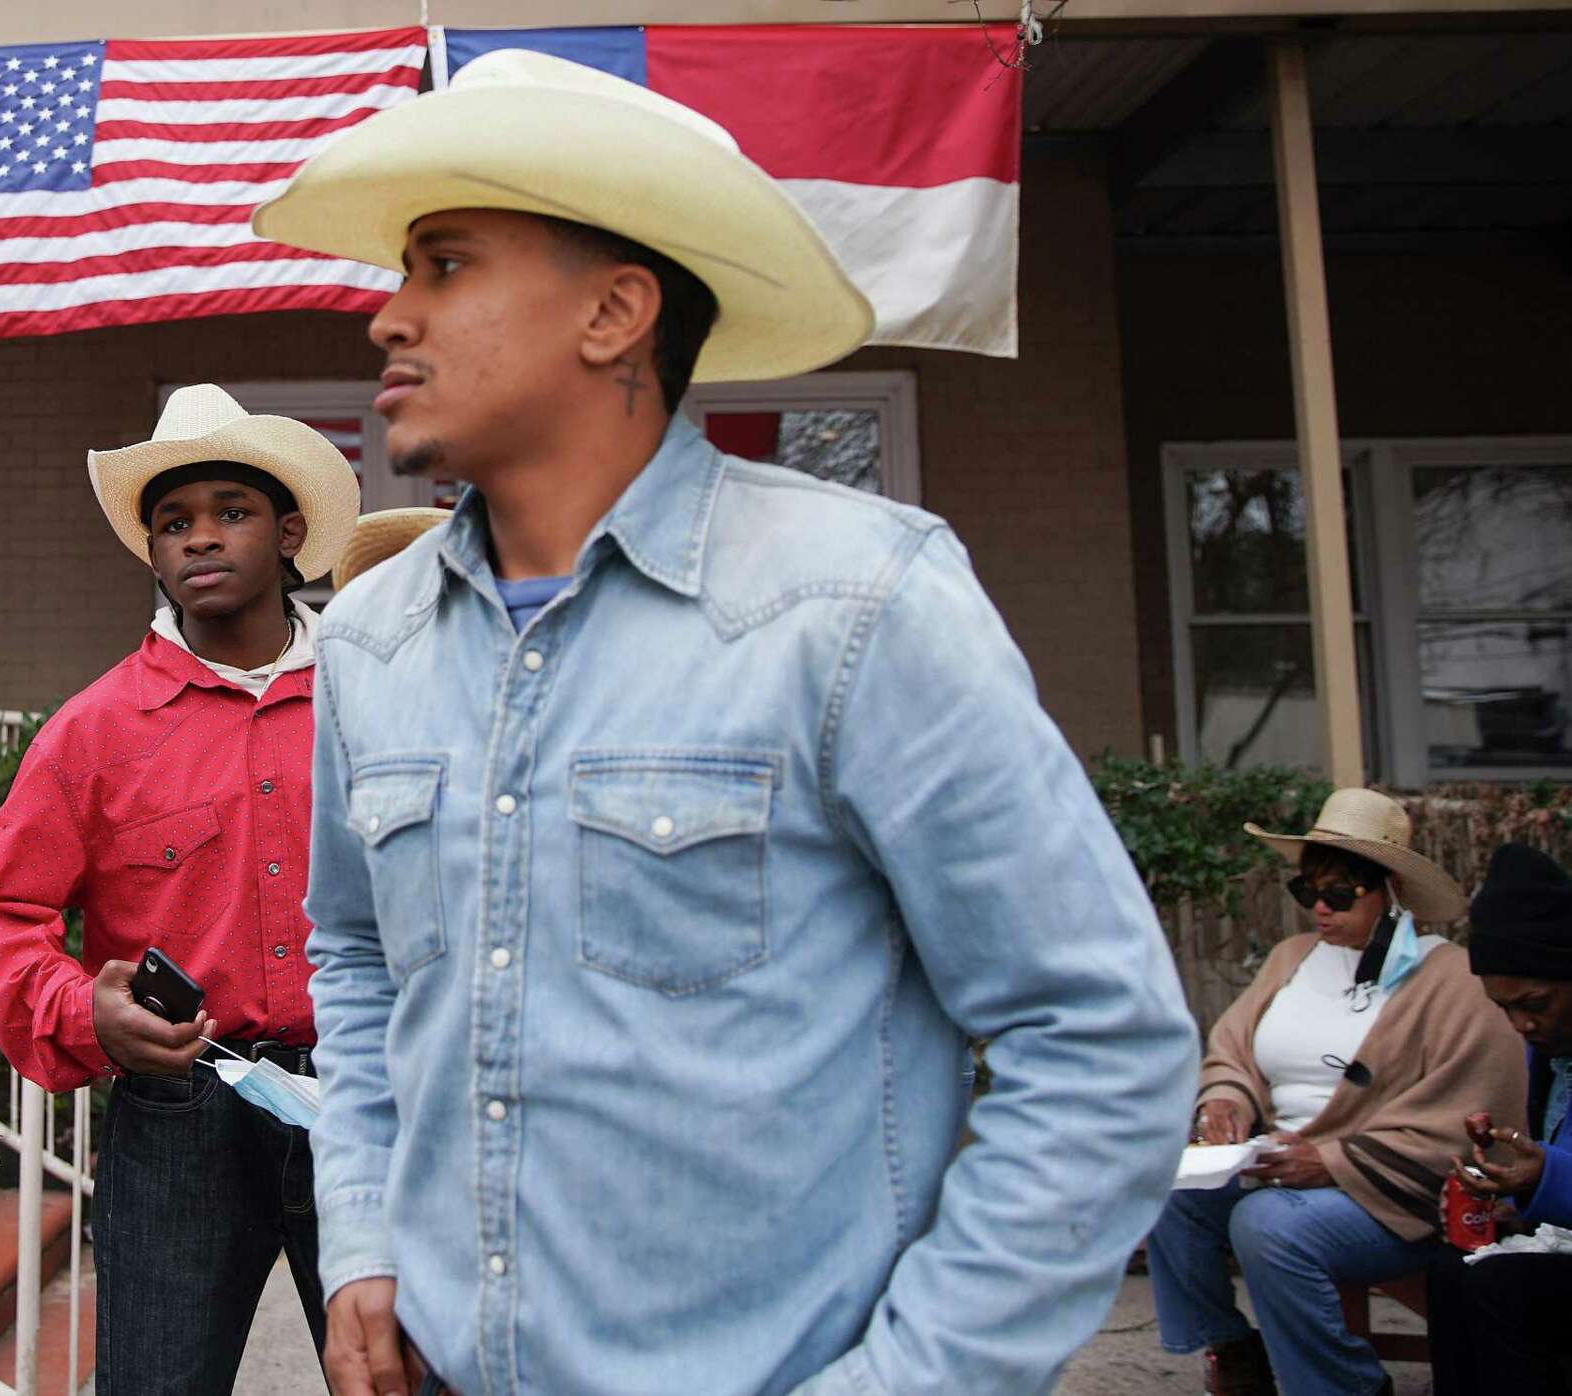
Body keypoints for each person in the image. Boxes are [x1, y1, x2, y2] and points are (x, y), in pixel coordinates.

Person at [253, 48, 1200, 1396]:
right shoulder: (368, 640)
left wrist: (913, 1381)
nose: (389, 317)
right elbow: (355, 959)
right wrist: (361, 1237)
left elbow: (1099, 1040)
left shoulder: (856, 603)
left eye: (445, 266)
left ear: (615, 313)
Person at [0, 384, 360, 1395]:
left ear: (290, 533)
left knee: (408, 1375)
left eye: (232, 510)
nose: (199, 537)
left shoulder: (372, 696)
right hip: (183, 1115)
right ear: (152, 552)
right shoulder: (95, 730)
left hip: (369, 1100)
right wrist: (82, 1011)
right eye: (173, 522)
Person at [1145, 788, 1527, 1396]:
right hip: (1278, 1163)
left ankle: (1346, 1385)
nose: (1320, 909)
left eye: (1340, 894)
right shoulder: (1291, 958)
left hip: (1396, 1193)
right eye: (1307, 891)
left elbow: (1469, 1111)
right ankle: (1234, 1349)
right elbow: (1233, 1050)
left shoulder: (1452, 979)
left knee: (1266, 1224)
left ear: (1389, 890)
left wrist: (1332, 1161)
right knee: (1165, 1191)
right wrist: (1225, 1100)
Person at [1428, 842, 1572, 1394]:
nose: (1520, 1026)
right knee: (1449, 1272)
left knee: (1503, 1290)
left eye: (1533, 1004)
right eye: (1504, 1008)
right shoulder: (1560, 1041)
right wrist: (1509, 1202)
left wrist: (1552, 1180)